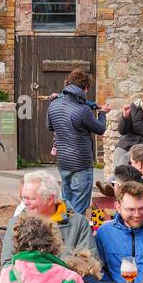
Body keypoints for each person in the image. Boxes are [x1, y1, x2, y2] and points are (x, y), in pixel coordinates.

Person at [0, 170, 97, 266]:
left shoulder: (78, 223)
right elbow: (7, 264)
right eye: (24, 198)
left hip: (68, 281)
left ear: (50, 199)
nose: (25, 203)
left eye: (31, 198)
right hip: (27, 281)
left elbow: (90, 263)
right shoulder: (16, 223)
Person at [46, 69, 109, 215]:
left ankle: (65, 234)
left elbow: (50, 126)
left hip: (63, 161)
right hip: (81, 163)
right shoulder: (83, 110)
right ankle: (74, 235)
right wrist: (102, 113)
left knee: (66, 204)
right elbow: (100, 129)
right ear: (85, 88)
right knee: (79, 208)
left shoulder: (53, 105)